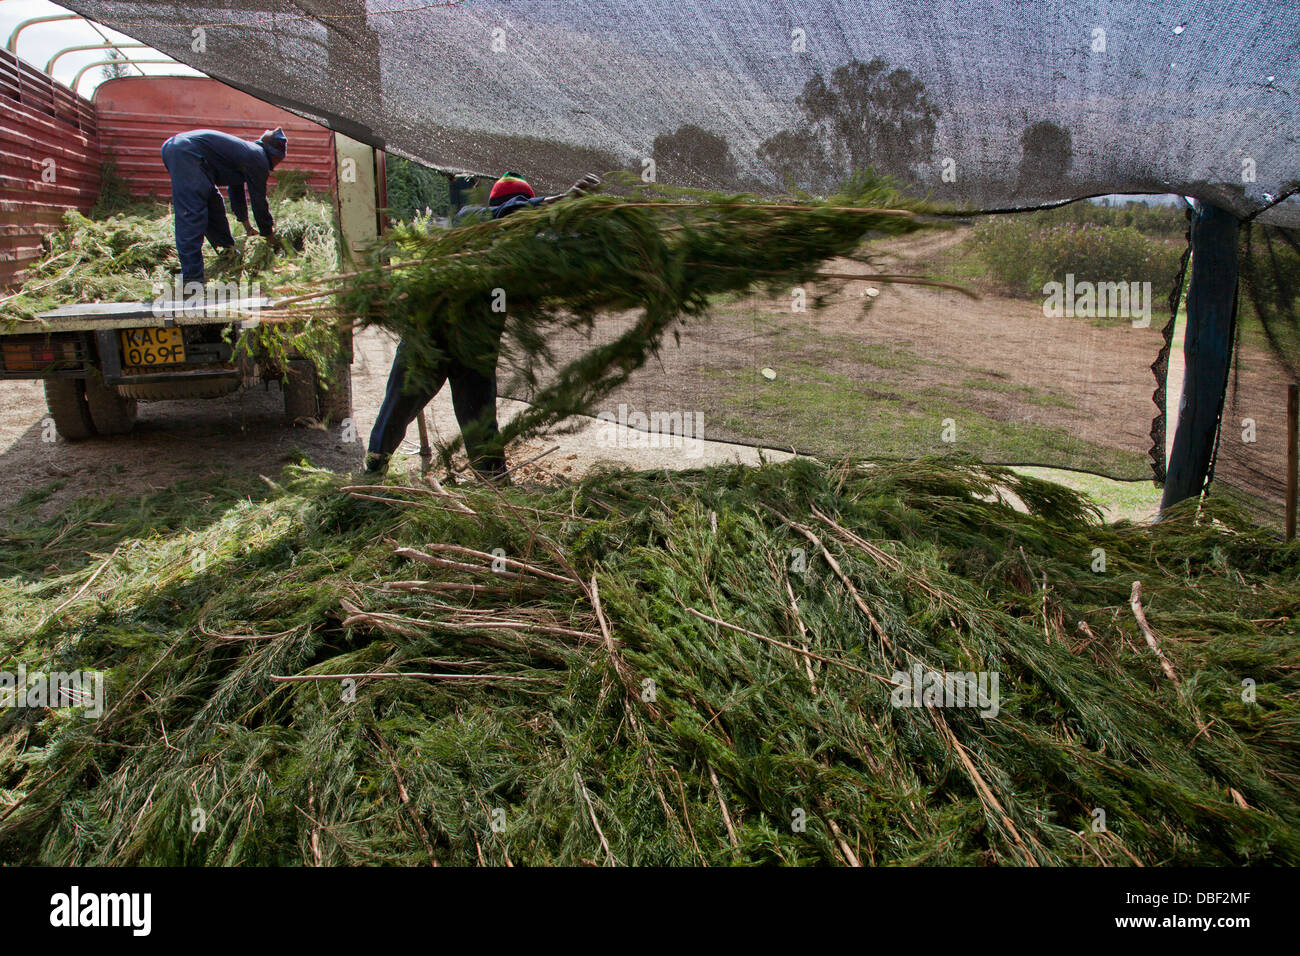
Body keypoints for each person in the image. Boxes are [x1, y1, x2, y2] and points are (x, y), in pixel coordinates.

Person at [365, 170, 601, 479]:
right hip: (431, 335)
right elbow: (505, 217)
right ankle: (373, 468)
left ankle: (493, 481)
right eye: (518, 208)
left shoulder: (520, 254)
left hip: (474, 346)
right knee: (399, 405)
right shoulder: (471, 219)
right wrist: (556, 203)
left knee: (477, 417)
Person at [160, 128, 288, 286]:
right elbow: (259, 201)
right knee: (192, 214)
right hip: (186, 152)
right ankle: (192, 281)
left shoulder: (248, 155)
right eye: (279, 159)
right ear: (274, 154)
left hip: (188, 154)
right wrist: (268, 235)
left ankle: (227, 251)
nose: (277, 164)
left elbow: (236, 191)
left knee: (214, 205)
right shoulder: (259, 158)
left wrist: (247, 226)